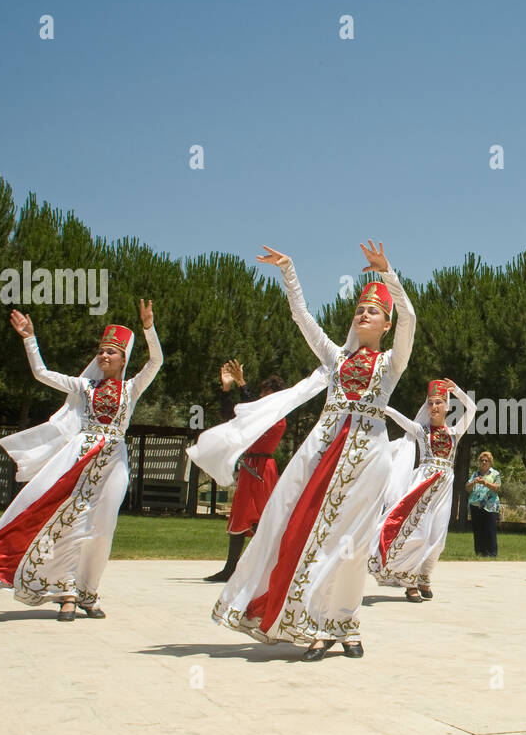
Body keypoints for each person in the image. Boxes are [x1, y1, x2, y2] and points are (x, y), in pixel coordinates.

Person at [188, 240, 415, 662]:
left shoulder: (391, 364)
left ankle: (344, 622)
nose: (363, 315)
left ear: (387, 324)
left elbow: (411, 319)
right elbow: (302, 317)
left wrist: (388, 273)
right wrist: (289, 270)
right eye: (359, 309)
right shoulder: (335, 358)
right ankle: (313, 622)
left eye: (373, 312)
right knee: (305, 532)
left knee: (351, 544)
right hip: (323, 456)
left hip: (368, 461)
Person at [0, 301, 162, 620]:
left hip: (115, 462)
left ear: (123, 359)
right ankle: (67, 591)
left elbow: (156, 361)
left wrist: (148, 328)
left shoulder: (132, 388)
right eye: (101, 351)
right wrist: (30, 338)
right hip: (81, 460)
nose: (103, 356)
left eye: (111, 352)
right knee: (72, 523)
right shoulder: (84, 386)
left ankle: (88, 592)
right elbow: (41, 374)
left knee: (102, 529)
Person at [370, 378, 477, 600]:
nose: (434, 406)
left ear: (447, 406)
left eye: (439, 402)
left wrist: (456, 390)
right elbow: (397, 417)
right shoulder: (421, 430)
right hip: (423, 487)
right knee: (417, 534)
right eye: (430, 403)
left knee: (438, 538)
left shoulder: (454, 432)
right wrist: (381, 405)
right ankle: (409, 581)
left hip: (444, 489)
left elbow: (473, 408)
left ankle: (425, 576)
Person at [203, 360, 288, 582]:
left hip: (263, 470)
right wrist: (226, 388)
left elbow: (254, 410)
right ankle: (230, 569)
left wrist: (242, 383)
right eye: (262, 393)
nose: (261, 397)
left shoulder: (277, 415)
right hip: (250, 468)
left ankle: (267, 570)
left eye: (266, 394)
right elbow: (230, 416)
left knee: (261, 518)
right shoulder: (258, 413)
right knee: (240, 516)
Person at [466, 451, 501, 557]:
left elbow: (496, 488)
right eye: (482, 460)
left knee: (489, 530)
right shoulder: (475, 474)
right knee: (478, 530)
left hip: (490, 506)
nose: (484, 462)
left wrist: (485, 483)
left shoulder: (495, 474)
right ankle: (479, 553)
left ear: (490, 462)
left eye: (486, 460)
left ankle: (491, 553)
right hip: (475, 505)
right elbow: (467, 488)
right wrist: (474, 482)